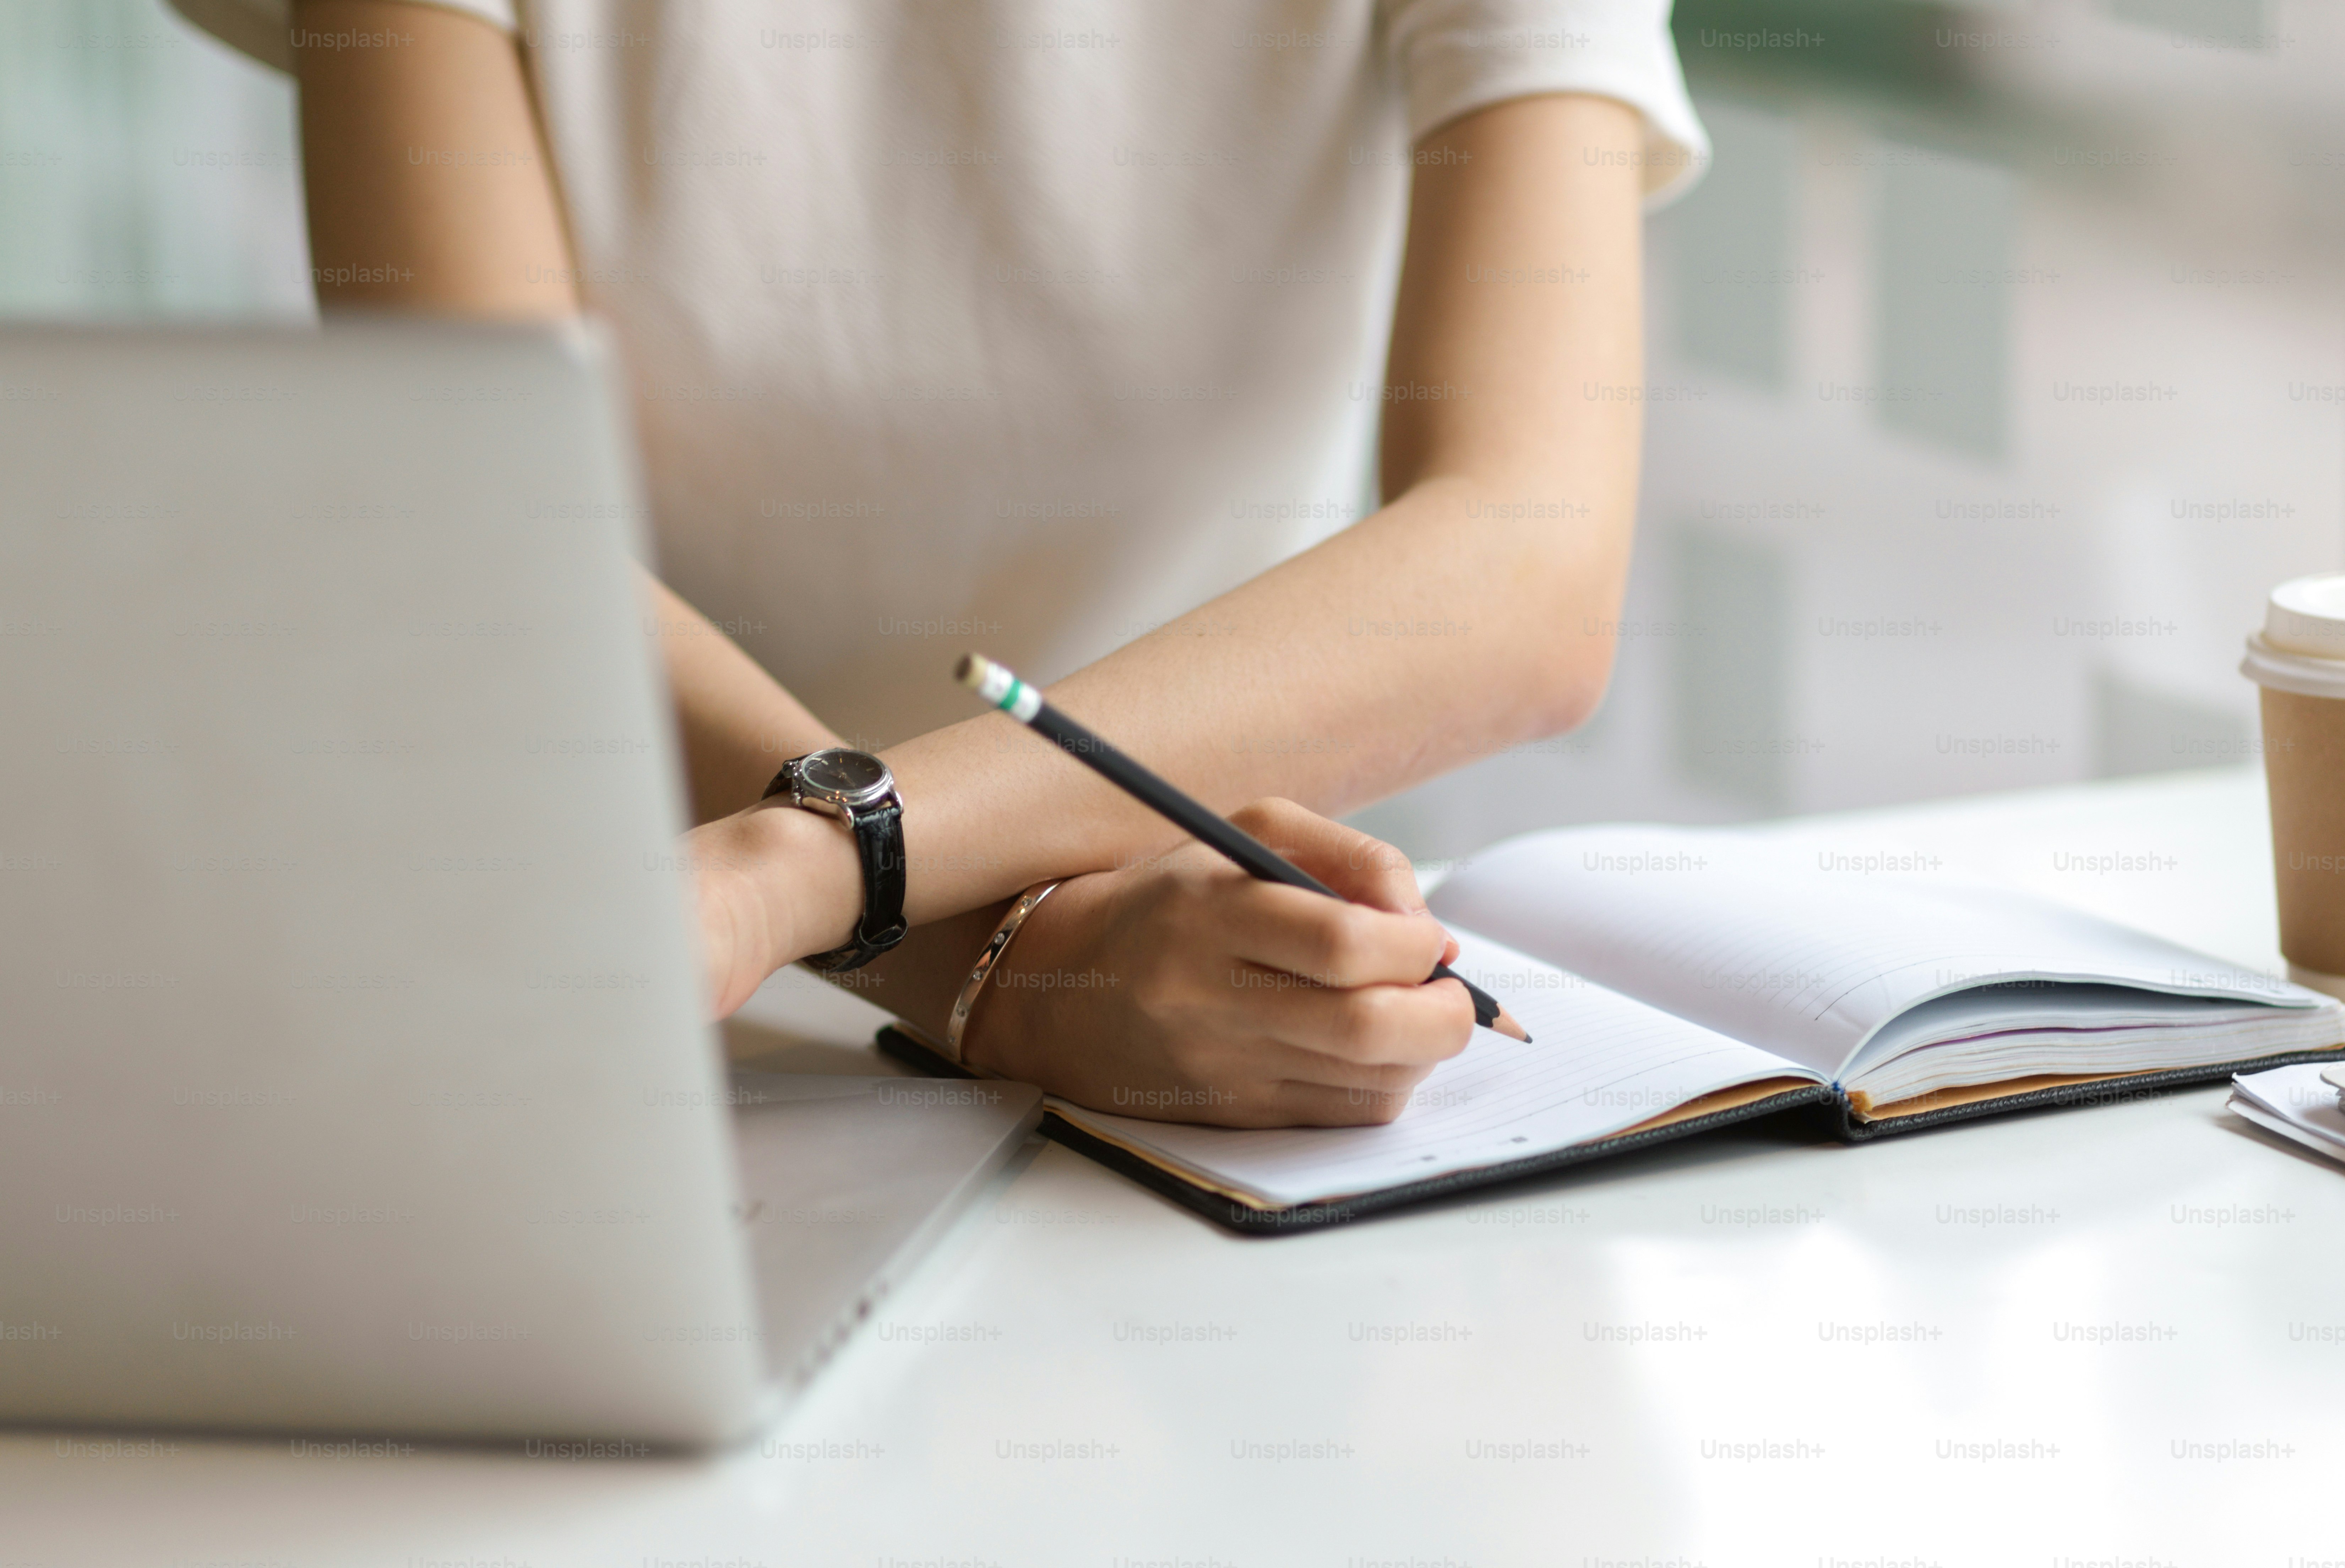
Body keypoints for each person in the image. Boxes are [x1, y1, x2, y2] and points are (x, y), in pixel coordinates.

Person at [176, 0, 1707, 1125]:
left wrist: (810, 868)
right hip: (606, 987)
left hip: (1191, 998)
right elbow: (486, 522)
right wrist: (1004, 979)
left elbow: (1524, 575)